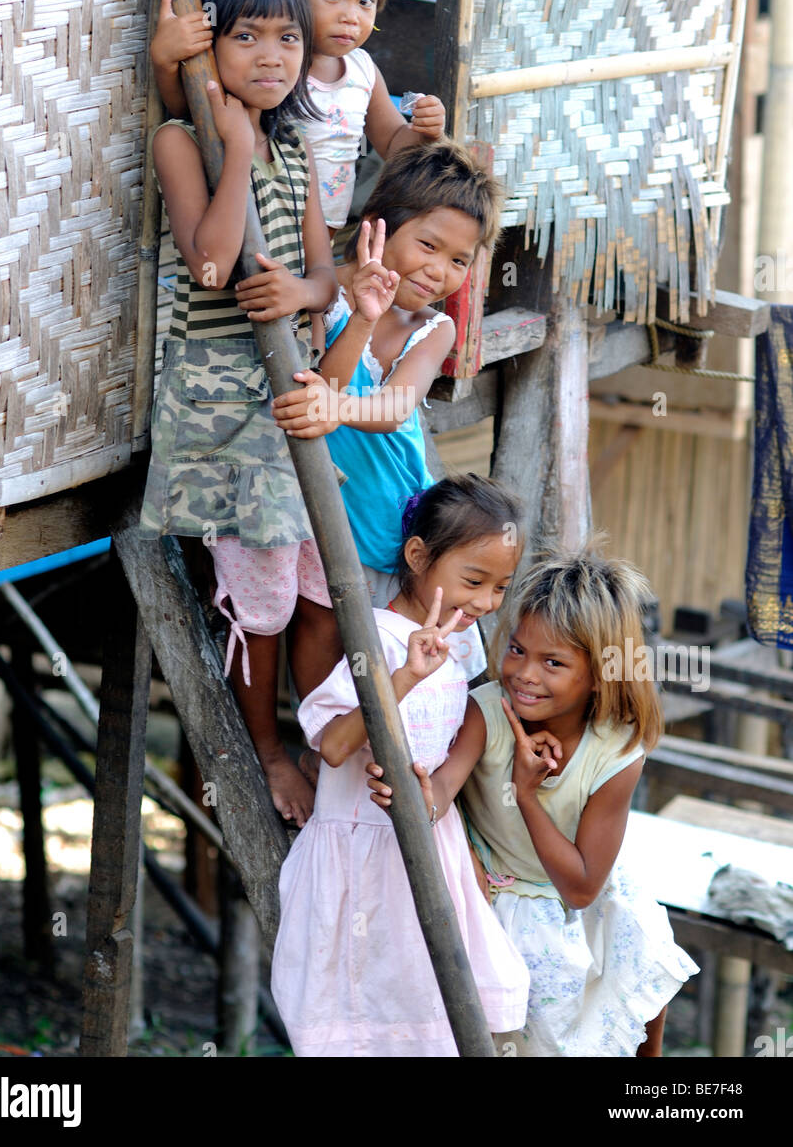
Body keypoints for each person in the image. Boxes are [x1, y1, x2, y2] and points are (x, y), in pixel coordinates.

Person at [140, 0, 342, 828]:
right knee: (258, 591)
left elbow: (327, 276)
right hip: (222, 405)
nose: (270, 55)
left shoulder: (295, 147)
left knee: (318, 582)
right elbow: (213, 262)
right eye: (246, 36)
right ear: (205, 48)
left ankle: (324, 735)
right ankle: (263, 749)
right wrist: (230, 150)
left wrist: (302, 292)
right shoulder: (181, 142)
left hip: (289, 395)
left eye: (288, 38)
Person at [368, 545, 700, 1057]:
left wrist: (526, 794)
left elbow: (584, 887)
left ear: (598, 675)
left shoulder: (617, 749)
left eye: (554, 662)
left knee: (639, 972)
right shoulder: (488, 713)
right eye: (518, 650)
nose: (525, 673)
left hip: (579, 902)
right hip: (502, 901)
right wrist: (412, 796)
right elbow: (439, 795)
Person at [271, 476, 530, 1057]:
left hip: (427, 847)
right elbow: (333, 747)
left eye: (499, 588)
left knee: (430, 1005)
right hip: (363, 856)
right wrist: (407, 674)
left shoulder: (459, 645)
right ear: (417, 556)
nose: (487, 603)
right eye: (474, 581)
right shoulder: (379, 641)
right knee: (369, 1006)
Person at [271, 141, 500, 677]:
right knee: (320, 621)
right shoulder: (327, 290)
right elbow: (321, 381)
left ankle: (399, 749)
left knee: (394, 637)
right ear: (378, 225)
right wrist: (364, 320)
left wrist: (336, 408)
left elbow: (395, 407)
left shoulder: (433, 327)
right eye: (428, 245)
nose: (438, 270)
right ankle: (321, 741)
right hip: (323, 503)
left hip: (390, 509)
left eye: (459, 260)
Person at [149, 0, 446, 240]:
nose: (352, 16)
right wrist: (165, 61)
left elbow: (393, 142)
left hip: (327, 237)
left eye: (366, 1)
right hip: (263, 226)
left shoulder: (363, 70)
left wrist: (423, 130)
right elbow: (192, 109)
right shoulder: (275, 70)